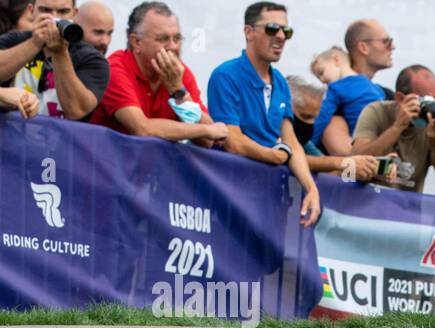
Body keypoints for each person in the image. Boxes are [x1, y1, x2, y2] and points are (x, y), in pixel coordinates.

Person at [207, 2, 368, 209]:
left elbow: (292, 144)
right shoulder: (225, 75)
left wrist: (311, 189)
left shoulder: (280, 82)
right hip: (228, 195)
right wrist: (274, 156)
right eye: (272, 28)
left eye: (287, 31)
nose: (281, 36)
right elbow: (233, 142)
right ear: (248, 32)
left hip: (268, 199)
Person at [90, 2, 227, 146]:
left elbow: (207, 142)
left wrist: (178, 91)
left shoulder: (180, 73)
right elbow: (142, 129)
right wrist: (204, 129)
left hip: (153, 166)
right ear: (136, 42)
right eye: (163, 39)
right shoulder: (115, 68)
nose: (173, 47)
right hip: (107, 163)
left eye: (177, 38)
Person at [352, 63, 435, 195]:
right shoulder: (376, 112)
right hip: (365, 206)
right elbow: (352, 165)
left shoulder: (434, 130)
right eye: (426, 101)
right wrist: (397, 127)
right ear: (400, 98)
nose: (431, 107)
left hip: (404, 213)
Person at [0, 0, 109, 120]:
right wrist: (35, 43)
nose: (54, 18)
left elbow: (76, 111)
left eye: (63, 11)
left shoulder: (92, 59)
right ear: (31, 11)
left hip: (60, 138)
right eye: (45, 10)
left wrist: (60, 53)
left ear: (74, 13)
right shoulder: (13, 41)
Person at [310, 40, 384, 155]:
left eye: (321, 72)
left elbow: (323, 117)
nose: (323, 80)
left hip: (361, 137)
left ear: (336, 60)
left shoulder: (335, 88)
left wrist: (309, 143)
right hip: (383, 135)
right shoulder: (372, 85)